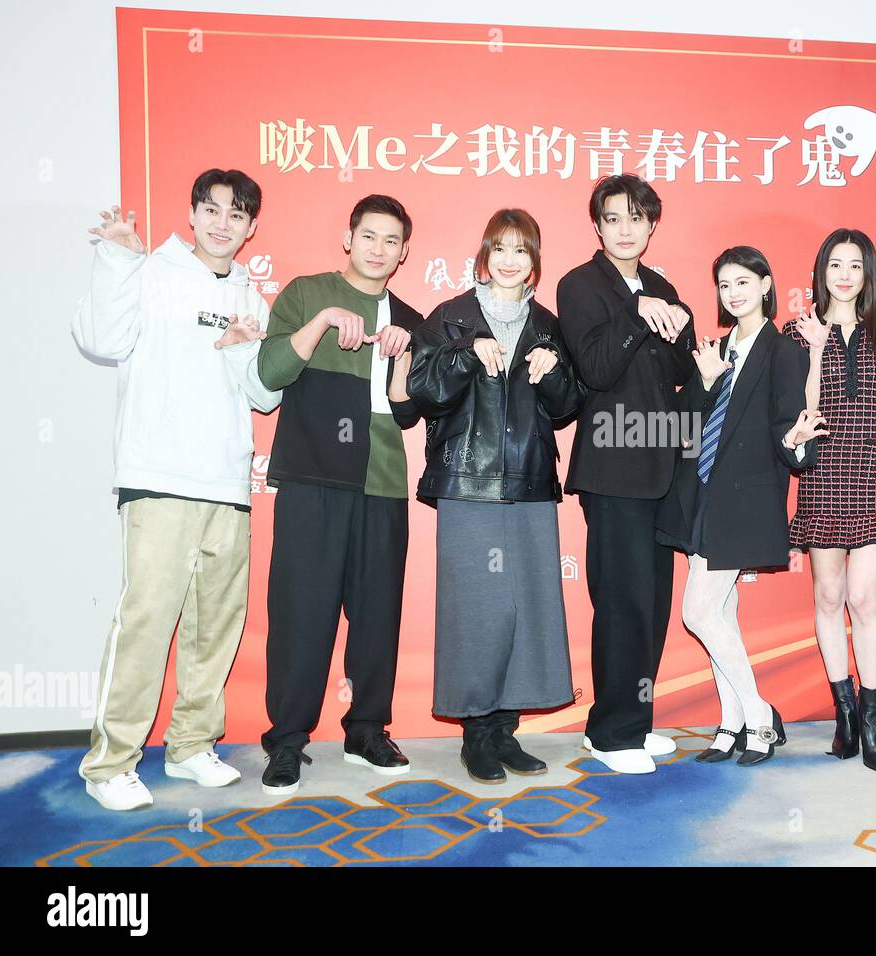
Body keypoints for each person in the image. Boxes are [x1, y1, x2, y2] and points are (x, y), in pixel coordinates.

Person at [73, 169, 280, 810]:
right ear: (191, 213)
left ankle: (191, 746)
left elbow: (265, 395)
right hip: (158, 475)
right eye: (212, 209)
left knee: (215, 625)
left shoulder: (253, 297)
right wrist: (116, 257)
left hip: (226, 479)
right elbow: (99, 339)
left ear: (251, 227)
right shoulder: (148, 271)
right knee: (147, 618)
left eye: (237, 214)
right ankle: (111, 763)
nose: (223, 223)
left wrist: (242, 352)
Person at [396, 209, 585, 785]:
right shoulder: (450, 317)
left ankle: (506, 731)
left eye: (521, 251)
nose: (510, 260)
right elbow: (421, 392)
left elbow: (568, 405)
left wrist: (552, 372)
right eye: (500, 249)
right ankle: (476, 735)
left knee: (527, 610)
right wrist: (464, 355)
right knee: (475, 613)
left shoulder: (548, 324)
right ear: (484, 255)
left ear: (534, 262)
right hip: (468, 485)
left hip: (528, 483)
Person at [256, 194, 422, 795]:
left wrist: (403, 359)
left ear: (405, 253)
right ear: (348, 238)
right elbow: (270, 374)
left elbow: (407, 415)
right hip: (312, 476)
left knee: (377, 614)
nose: (379, 249)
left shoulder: (409, 316)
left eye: (392, 241)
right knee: (302, 613)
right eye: (369, 236)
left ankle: (368, 730)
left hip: (383, 484)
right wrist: (323, 321)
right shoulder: (305, 292)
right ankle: (287, 741)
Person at [656, 246, 822, 766]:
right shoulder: (714, 349)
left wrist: (797, 440)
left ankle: (758, 716)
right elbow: (687, 427)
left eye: (744, 282)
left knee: (699, 611)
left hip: (746, 499)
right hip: (701, 494)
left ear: (767, 284)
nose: (734, 292)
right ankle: (731, 723)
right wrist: (703, 382)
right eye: (725, 285)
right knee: (719, 613)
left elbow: (787, 428)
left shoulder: (784, 351)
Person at [558, 174, 696, 775]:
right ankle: (611, 734)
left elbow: (678, 368)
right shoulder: (580, 285)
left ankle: (634, 722)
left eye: (636, 218)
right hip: (612, 467)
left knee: (654, 602)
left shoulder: (663, 285)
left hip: (660, 461)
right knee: (620, 603)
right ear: (597, 225)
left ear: (652, 225)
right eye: (613, 218)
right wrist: (639, 315)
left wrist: (676, 321)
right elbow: (595, 369)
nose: (625, 228)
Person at [784, 229, 876, 771]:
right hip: (824, 472)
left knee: (864, 598)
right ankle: (843, 714)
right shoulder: (799, 332)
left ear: (868, 273)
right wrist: (817, 349)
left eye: (855, 265)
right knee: (827, 594)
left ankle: (871, 715)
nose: (844, 274)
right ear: (821, 271)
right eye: (834, 265)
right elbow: (805, 410)